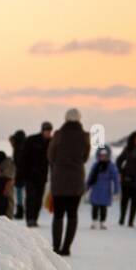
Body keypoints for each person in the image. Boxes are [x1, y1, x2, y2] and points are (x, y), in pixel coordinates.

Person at [48, 108, 91, 255]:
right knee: (72, 214)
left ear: (65, 118)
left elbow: (50, 155)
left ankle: (56, 247)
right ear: (80, 119)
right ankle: (66, 248)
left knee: (58, 214)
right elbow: (85, 157)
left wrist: (59, 163)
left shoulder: (59, 134)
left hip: (59, 178)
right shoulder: (85, 136)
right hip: (76, 179)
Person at [18, 121, 54, 226]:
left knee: (38, 198)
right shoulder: (32, 140)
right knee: (30, 198)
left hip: (42, 176)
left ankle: (35, 219)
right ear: (42, 130)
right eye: (46, 130)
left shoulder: (51, 143)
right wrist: (21, 174)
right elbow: (23, 158)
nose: (48, 132)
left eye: (49, 131)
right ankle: (29, 219)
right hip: (30, 175)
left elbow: (52, 161)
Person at [116, 129, 136, 227]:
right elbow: (119, 160)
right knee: (124, 199)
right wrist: (120, 171)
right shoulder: (127, 149)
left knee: (135, 200)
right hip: (126, 177)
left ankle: (130, 221)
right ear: (133, 139)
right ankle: (122, 219)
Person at [85, 146, 120, 229]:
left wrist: (116, 190)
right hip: (95, 189)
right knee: (95, 207)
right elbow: (91, 177)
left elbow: (115, 179)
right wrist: (86, 187)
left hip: (106, 190)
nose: (103, 157)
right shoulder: (95, 165)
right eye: (101, 155)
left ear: (108, 155)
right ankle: (94, 222)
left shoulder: (111, 166)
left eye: (105, 155)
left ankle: (102, 222)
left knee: (103, 207)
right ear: (98, 155)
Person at [9, 129, 28, 218]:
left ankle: (20, 212)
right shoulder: (25, 146)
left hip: (19, 174)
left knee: (19, 193)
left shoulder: (17, 148)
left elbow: (17, 163)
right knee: (24, 194)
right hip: (26, 174)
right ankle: (24, 211)